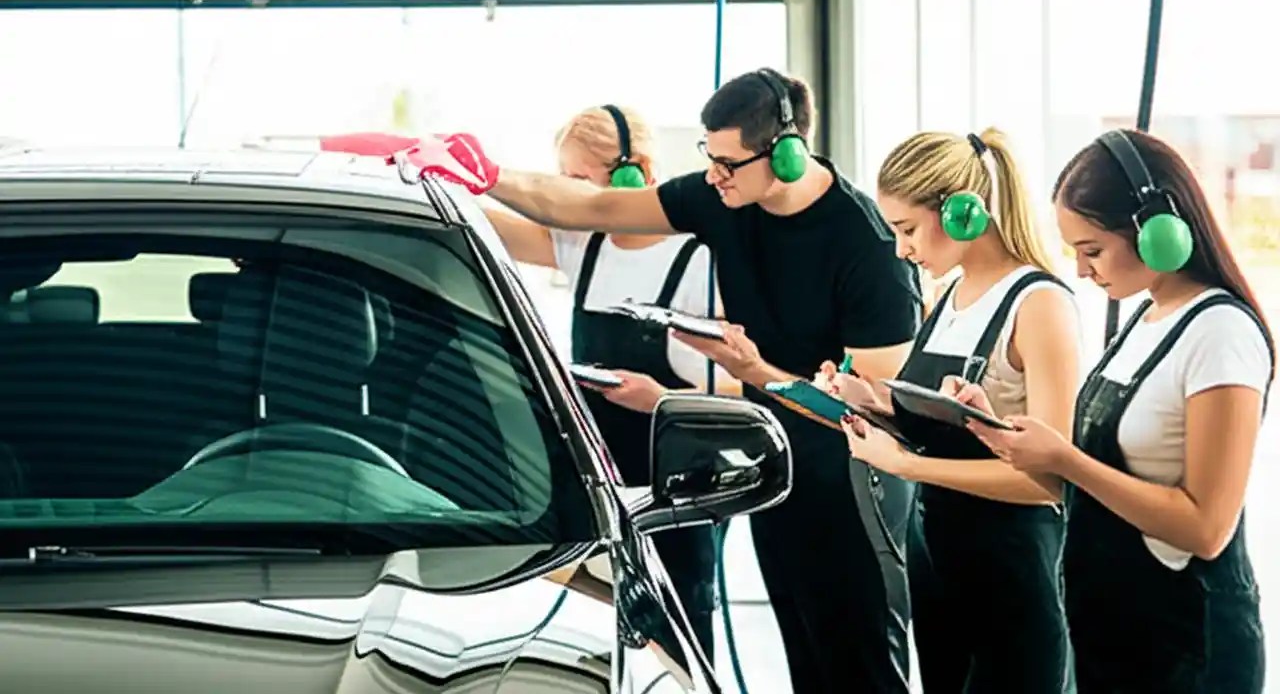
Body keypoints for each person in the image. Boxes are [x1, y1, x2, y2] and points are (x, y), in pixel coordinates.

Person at [406, 68, 924, 692]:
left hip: (850, 486)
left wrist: (753, 373)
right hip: (780, 474)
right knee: (807, 663)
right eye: (709, 157)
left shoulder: (866, 249)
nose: (713, 175)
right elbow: (593, 206)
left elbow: (869, 414)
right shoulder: (723, 199)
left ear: (787, 154)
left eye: (728, 162)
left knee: (860, 666)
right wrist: (485, 175)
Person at [966, 129, 1275, 693]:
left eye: (1092, 251)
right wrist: (1005, 436)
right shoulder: (1146, 317)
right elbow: (1098, 495)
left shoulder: (1220, 332)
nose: (1082, 272)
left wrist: (1068, 459)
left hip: (1189, 650)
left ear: (1159, 234)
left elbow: (1206, 528)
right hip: (1117, 637)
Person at [818, 127, 1080, 692]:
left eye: (907, 229)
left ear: (964, 213)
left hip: (1012, 566)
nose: (900, 249)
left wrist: (907, 466)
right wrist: (874, 399)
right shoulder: (947, 298)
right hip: (937, 557)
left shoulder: (1038, 305)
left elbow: (1049, 478)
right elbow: (940, 418)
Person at [478, 103, 737, 660]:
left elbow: (747, 389)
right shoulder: (584, 243)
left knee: (679, 633)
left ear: (633, 173)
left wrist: (659, 398)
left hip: (678, 486)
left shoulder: (699, 259)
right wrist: (450, 173)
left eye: (577, 179)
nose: (567, 195)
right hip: (606, 482)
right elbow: (495, 229)